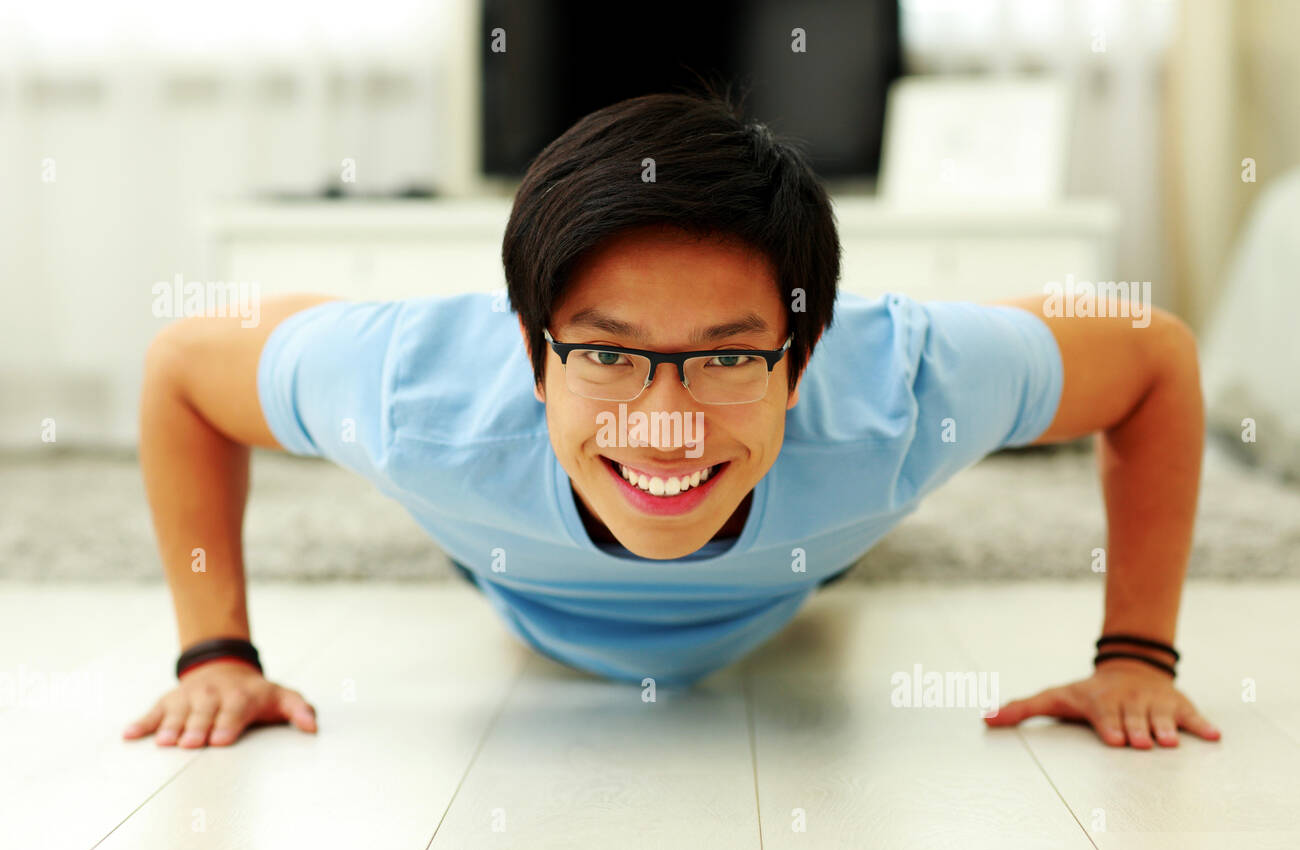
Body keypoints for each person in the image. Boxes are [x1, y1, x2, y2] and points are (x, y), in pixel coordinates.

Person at [125, 88, 1219, 752]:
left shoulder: (902, 391)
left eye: (729, 357)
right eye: (604, 352)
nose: (665, 424)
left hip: (801, 563)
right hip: (506, 570)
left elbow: (1152, 354)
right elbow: (182, 365)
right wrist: (215, 652)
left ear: (800, 358)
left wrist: (1135, 654)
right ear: (528, 356)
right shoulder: (412, 393)